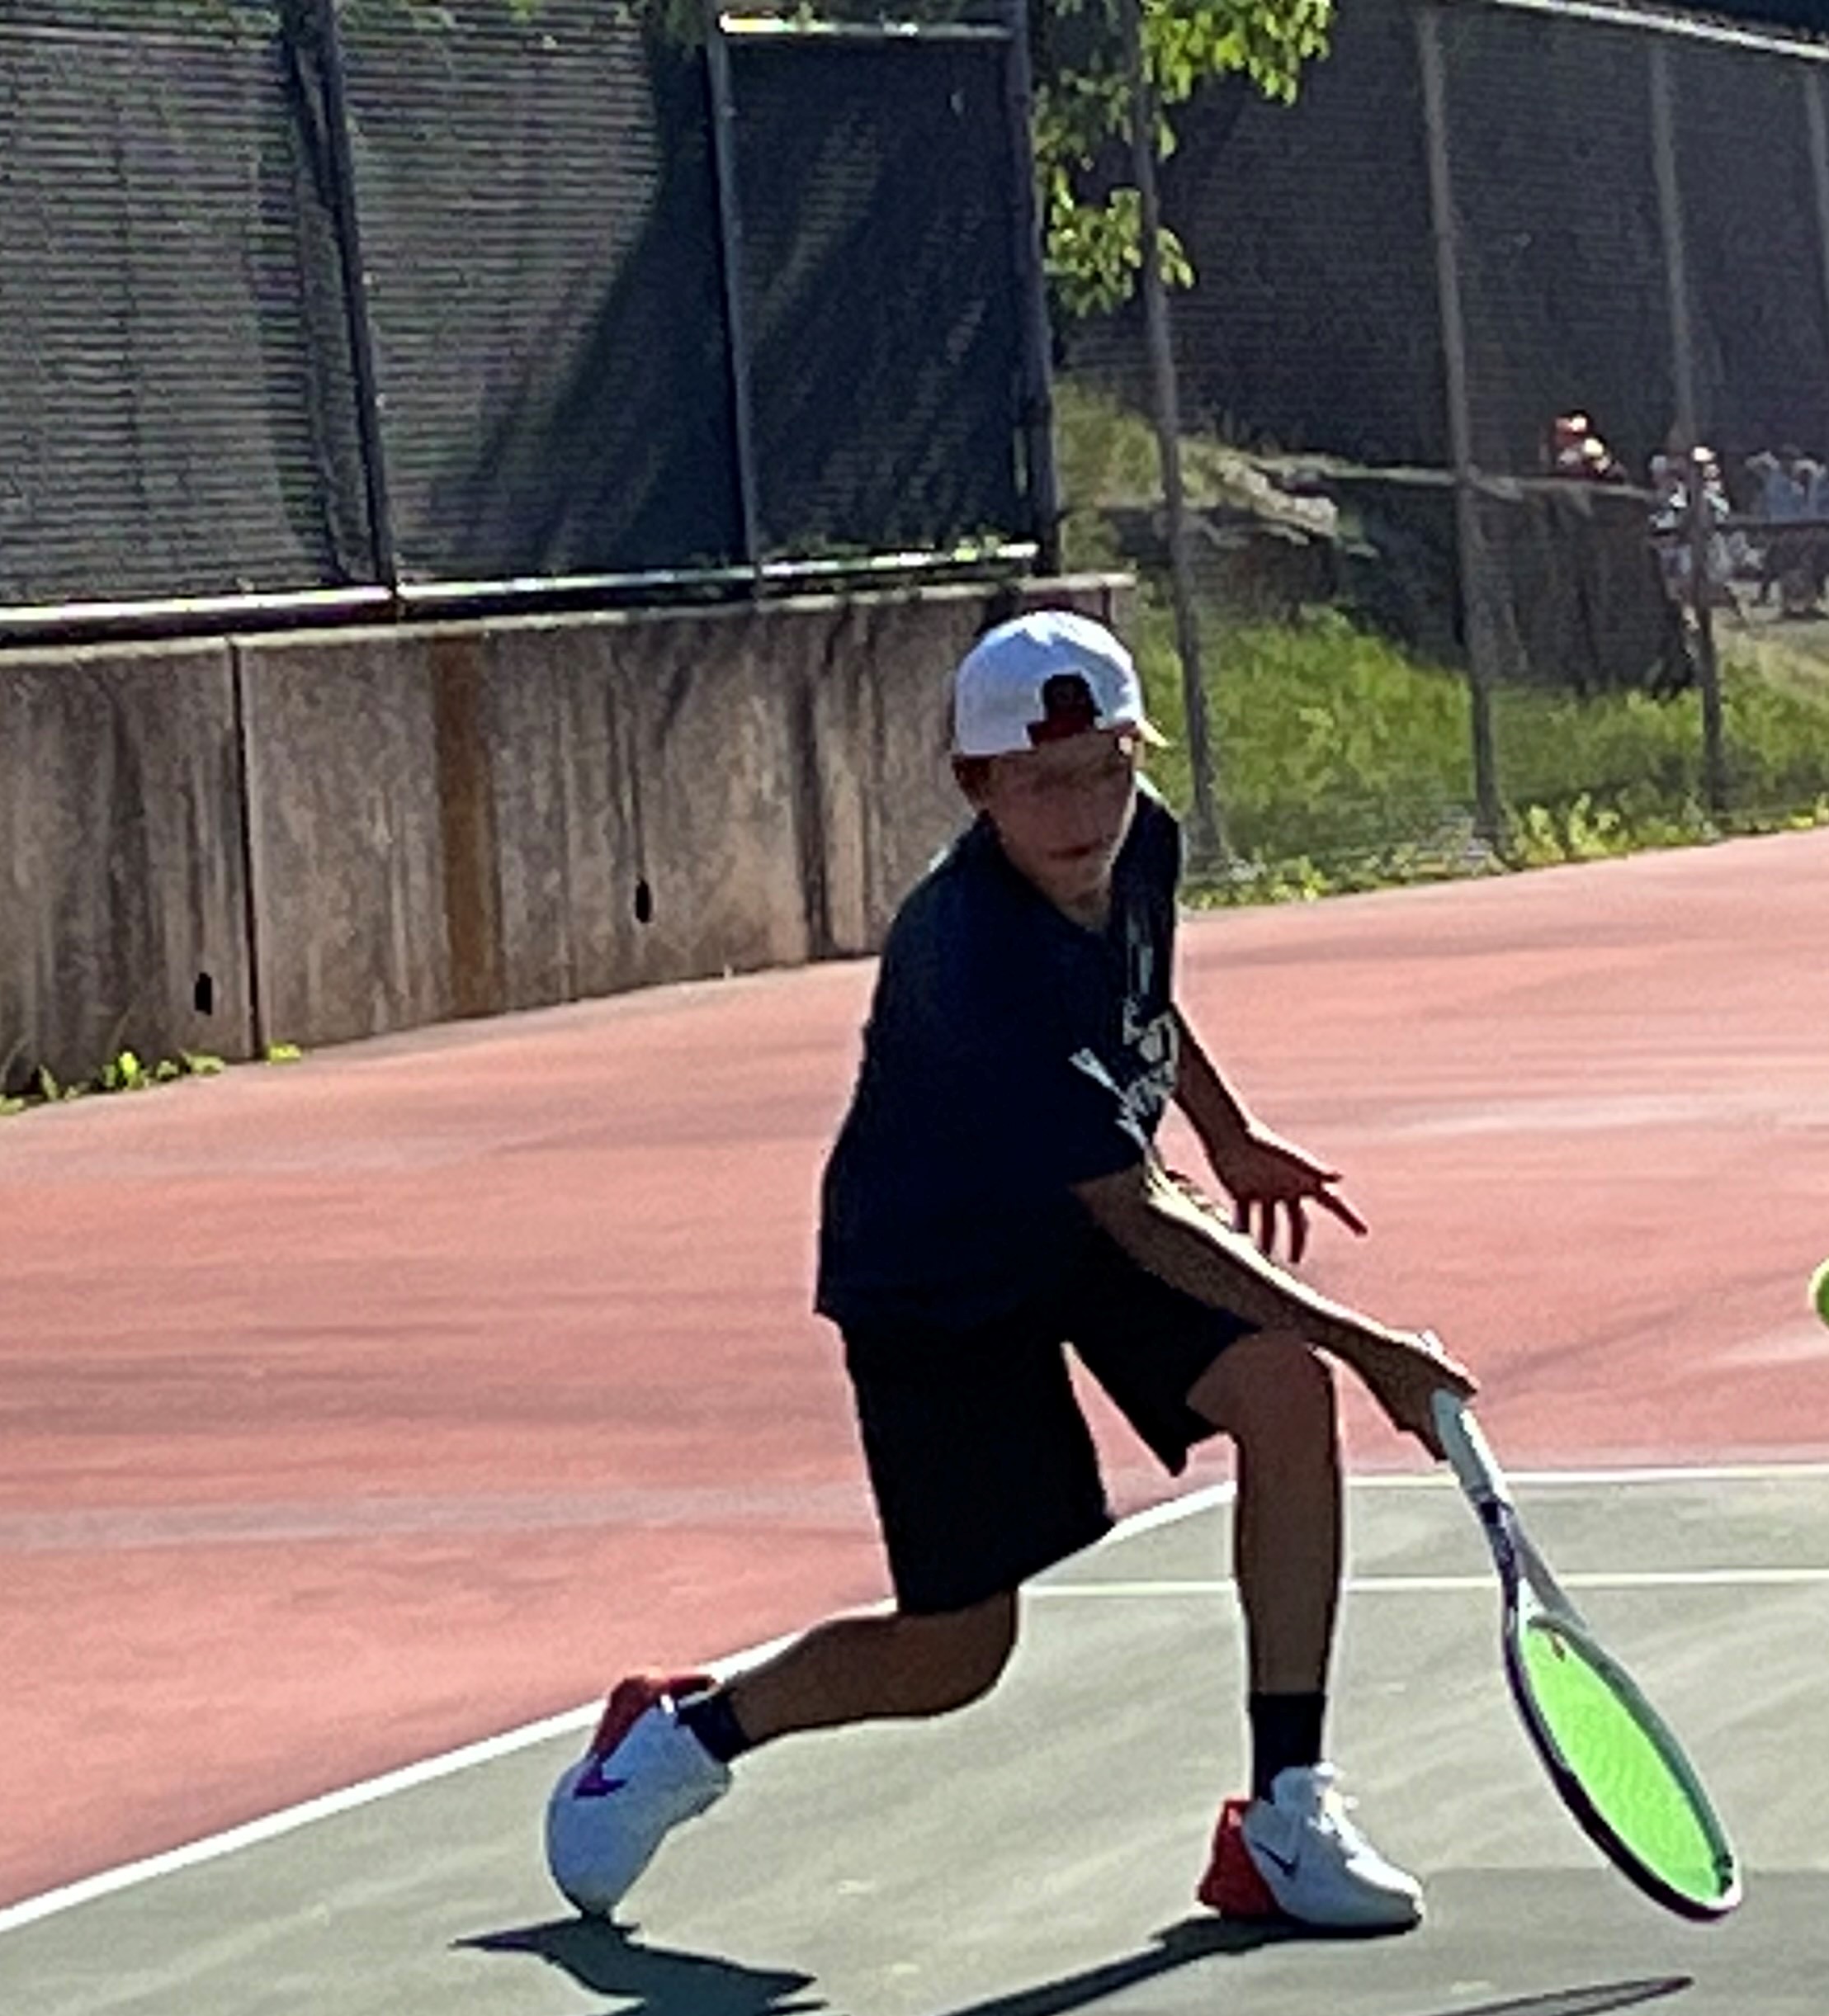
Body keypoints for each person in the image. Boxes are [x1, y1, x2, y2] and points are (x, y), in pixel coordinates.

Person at [542, 611, 1478, 1934]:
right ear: (977, 788)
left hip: (1084, 1217)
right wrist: (1370, 1341)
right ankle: (683, 1737)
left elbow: (1132, 991)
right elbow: (1138, 1213)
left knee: (1282, 1391)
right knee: (954, 1658)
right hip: (938, 1280)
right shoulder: (967, 952)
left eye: (1105, 766)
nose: (1082, 806)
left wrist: (1226, 1128)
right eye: (1041, 783)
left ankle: (1284, 1812)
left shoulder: (1136, 833)